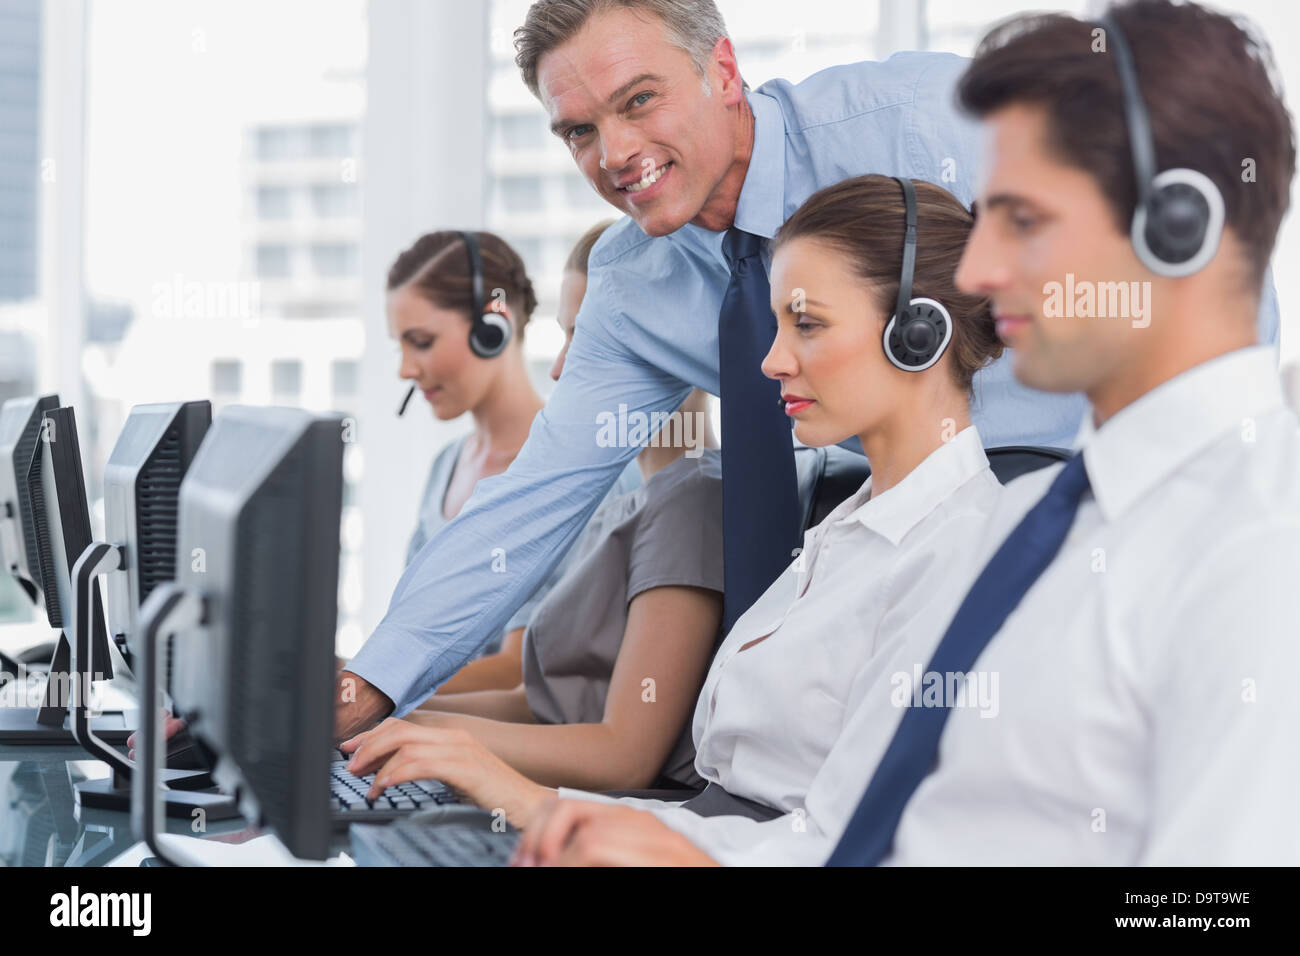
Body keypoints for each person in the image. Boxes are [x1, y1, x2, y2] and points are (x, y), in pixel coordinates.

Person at [335, 0, 1281, 741]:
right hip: (879, 538)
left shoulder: (923, 123)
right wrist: (369, 685)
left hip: (1073, 496)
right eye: (578, 132)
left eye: (639, 100)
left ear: (724, 71)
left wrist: (1204, 478)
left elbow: (1181, 232)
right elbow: (530, 500)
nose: (615, 155)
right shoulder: (633, 285)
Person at [516, 0, 1300, 867]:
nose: (976, 269)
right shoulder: (1037, 519)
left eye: (1022, 219)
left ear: (1174, 225)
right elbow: (852, 835)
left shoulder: (1257, 543)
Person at [346, 173, 1011, 833]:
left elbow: (838, 846)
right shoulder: (843, 530)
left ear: (918, 333)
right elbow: (712, 812)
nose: (770, 360)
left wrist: (533, 803)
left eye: (805, 324)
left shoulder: (959, 554)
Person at [343, 241, 726, 820]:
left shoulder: (689, 502)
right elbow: (539, 699)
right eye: (570, 336)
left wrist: (407, 726)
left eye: (590, 339)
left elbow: (625, 753)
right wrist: (380, 712)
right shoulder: (631, 507)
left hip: (598, 810)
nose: (561, 368)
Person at [386, 229, 638, 694]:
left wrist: (370, 686)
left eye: (420, 341)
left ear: (492, 327)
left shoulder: (577, 470)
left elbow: (522, 668)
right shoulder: (447, 464)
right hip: (430, 732)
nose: (404, 367)